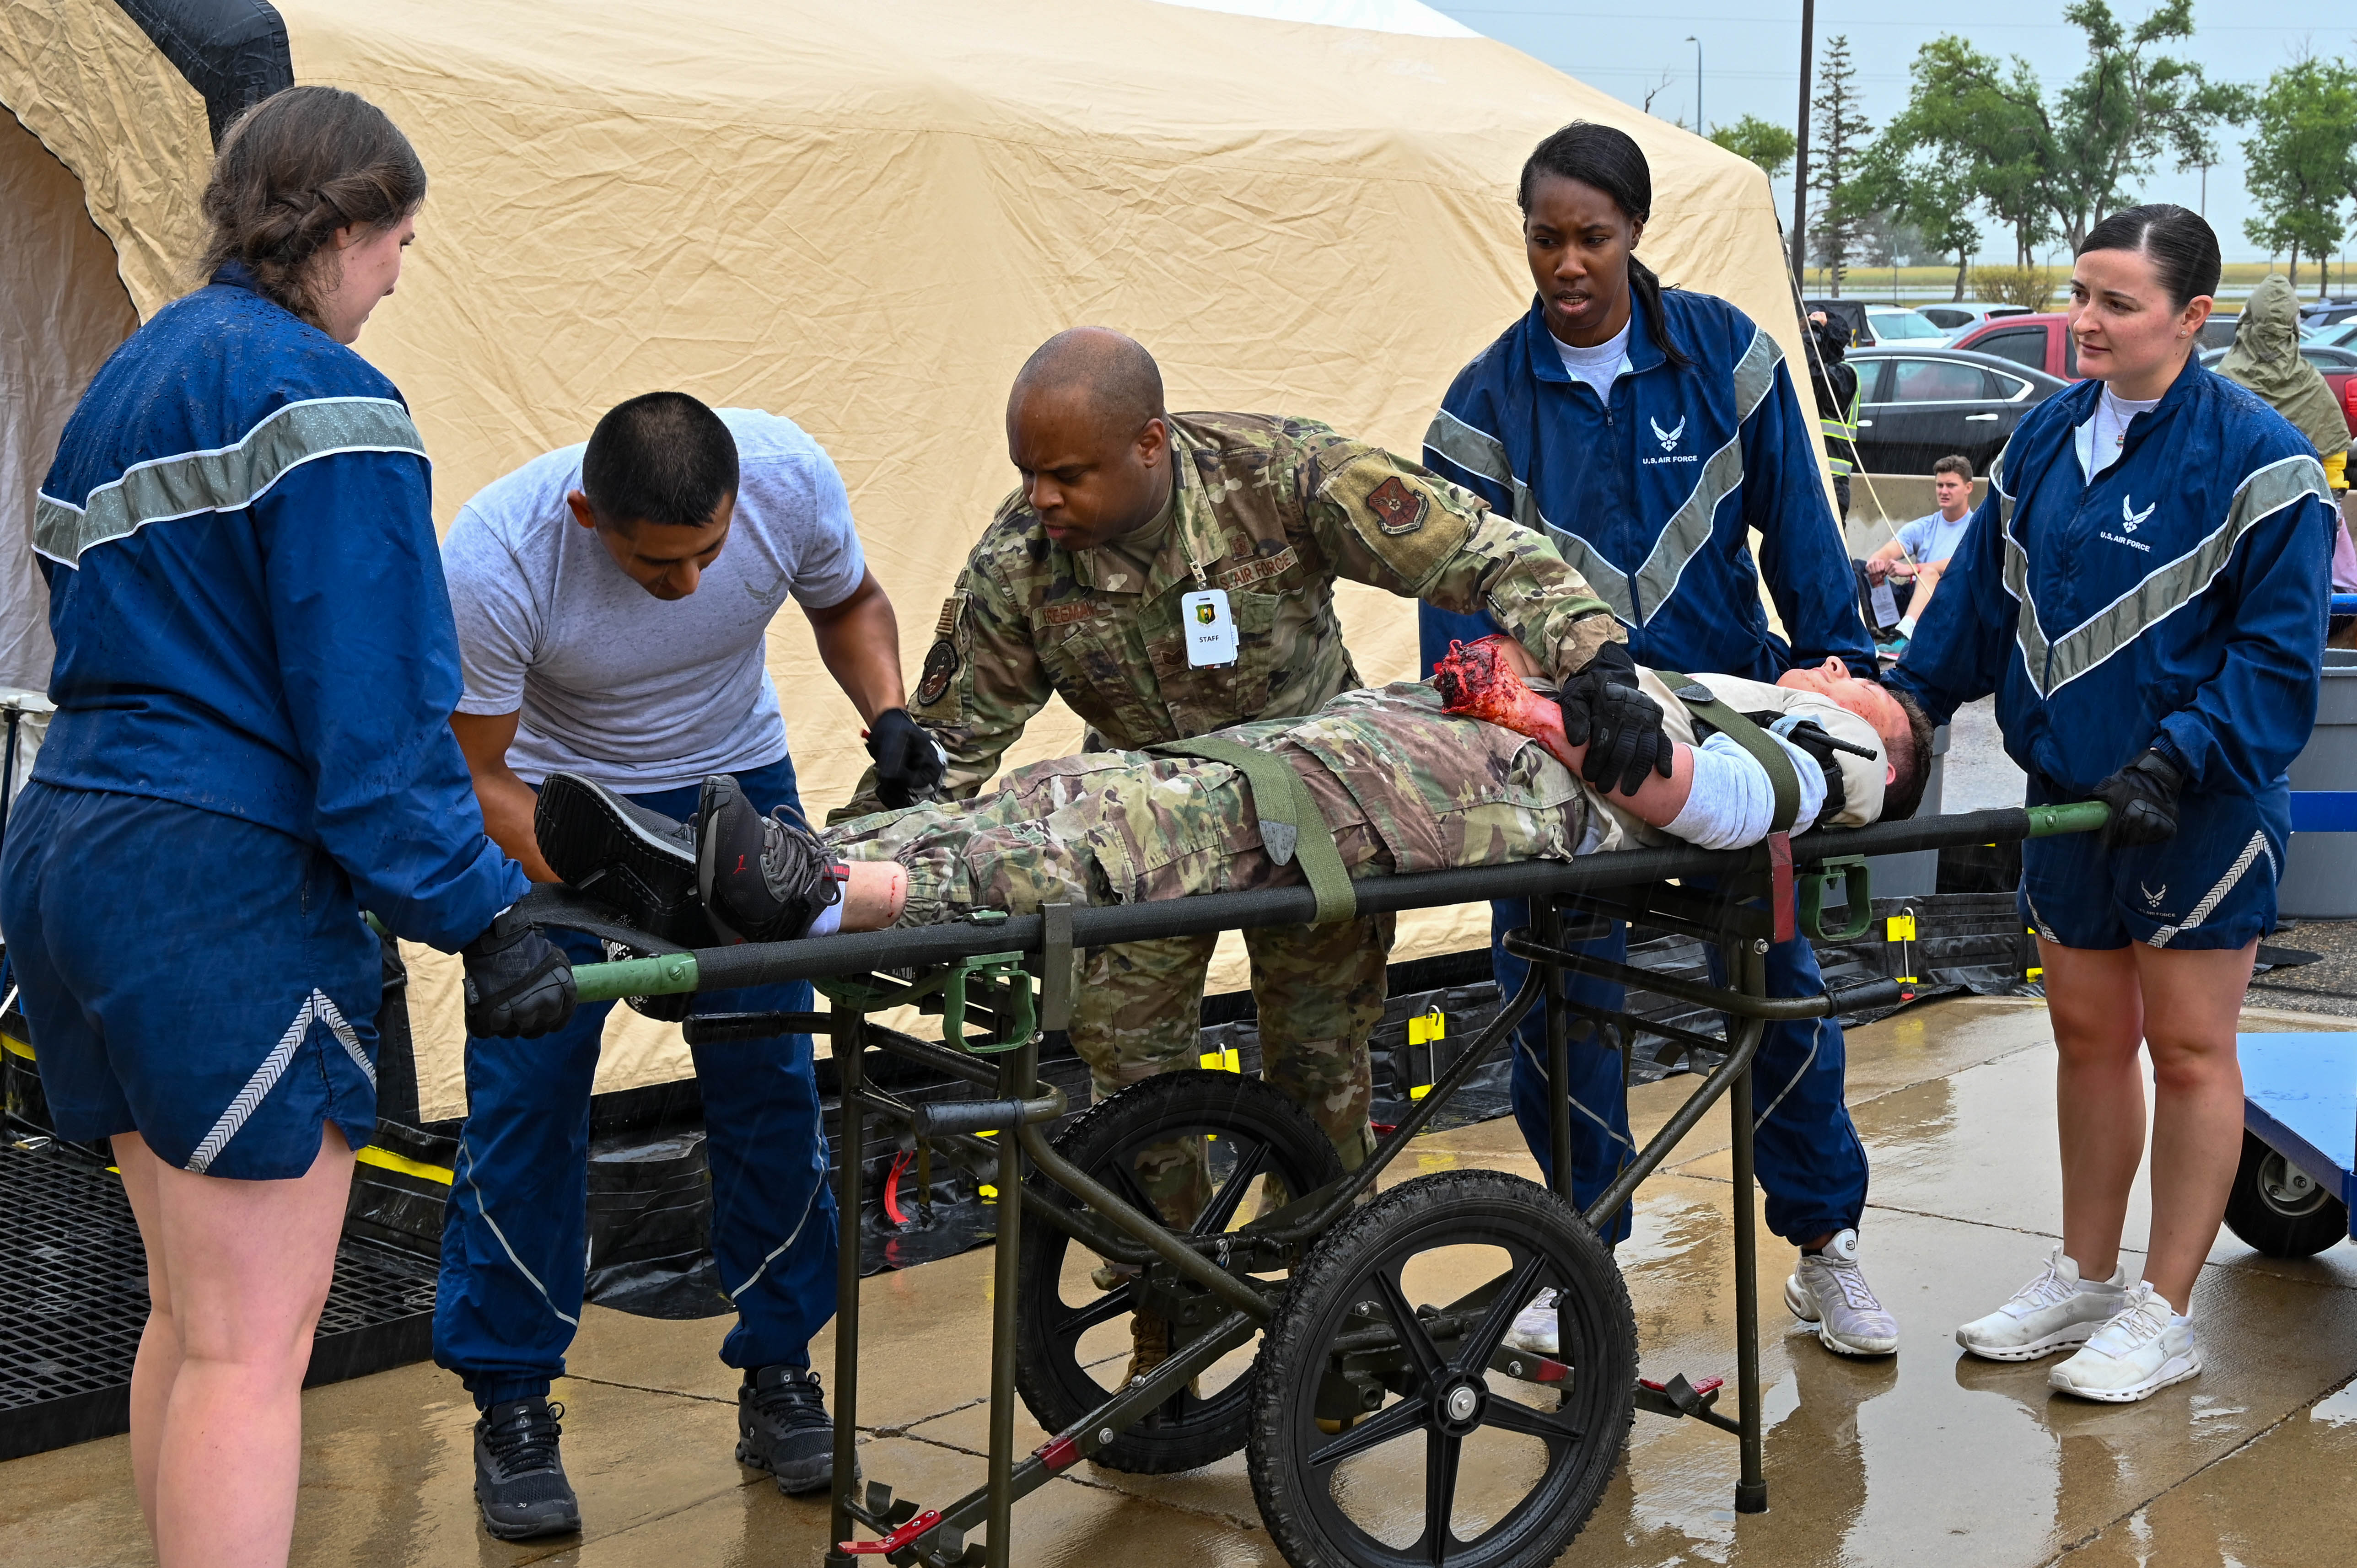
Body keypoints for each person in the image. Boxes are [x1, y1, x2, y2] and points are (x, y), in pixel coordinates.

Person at [0, 87, 570, 1568]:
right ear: (344, 230)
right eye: (396, 244)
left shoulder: (125, 385)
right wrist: (482, 911)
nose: (396, 276)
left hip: (70, 847)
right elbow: (370, 716)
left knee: (193, 1321)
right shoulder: (328, 405)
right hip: (217, 880)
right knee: (253, 1346)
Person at [863, 326, 1637, 1188]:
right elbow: (948, 744)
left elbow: (1471, 547)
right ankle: (1173, 1303)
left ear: (1149, 444)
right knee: (1135, 1094)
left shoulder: (1279, 474)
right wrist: (882, 816)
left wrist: (1591, 652)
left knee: (1321, 1076)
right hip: (1141, 837)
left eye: (1067, 476)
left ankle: (1326, 1300)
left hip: (1317, 820)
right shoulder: (1018, 562)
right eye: (1026, 474)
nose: (1039, 497)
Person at [1416, 121, 1894, 1358]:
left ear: (1635, 233)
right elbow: (1454, 626)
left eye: (1592, 236)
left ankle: (1827, 1245)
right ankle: (1583, 1256)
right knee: (1560, 998)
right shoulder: (1481, 408)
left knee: (1782, 987)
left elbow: (1802, 535)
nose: (1567, 262)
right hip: (1570, 753)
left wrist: (1842, 687)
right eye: (1545, 237)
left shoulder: (1729, 357)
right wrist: (1506, 731)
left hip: (1723, 738)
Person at [433, 392, 930, 1535]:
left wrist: (888, 708)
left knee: (766, 1085)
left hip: (738, 793)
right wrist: (621, 880)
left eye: (712, 551)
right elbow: (477, 775)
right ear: (588, 517)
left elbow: (848, 600)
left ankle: (780, 1369)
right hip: (558, 811)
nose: (694, 585)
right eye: (662, 565)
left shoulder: (788, 475)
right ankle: (511, 1397)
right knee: (528, 1096)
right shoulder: (501, 558)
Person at [1891, 205, 2334, 1403]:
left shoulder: (2262, 460)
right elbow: (1976, 607)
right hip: (2066, 803)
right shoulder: (2041, 441)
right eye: (2080, 293)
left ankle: (2166, 1307)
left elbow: (2280, 660)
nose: (2085, 320)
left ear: (2192, 317)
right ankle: (2086, 1275)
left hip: (2198, 806)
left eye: (2118, 302)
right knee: (2089, 1038)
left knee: (2190, 1050)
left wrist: (2177, 760)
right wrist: (1909, 707)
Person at [545, 636, 1931, 950]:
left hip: (1452, 791)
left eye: (1857, 677)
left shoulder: (1825, 758)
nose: (1830, 662)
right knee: (1078, 791)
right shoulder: (1762, 705)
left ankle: (829, 897)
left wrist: (1533, 710)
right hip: (1383, 756)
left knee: (1131, 833)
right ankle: (746, 867)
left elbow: (1714, 809)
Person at [2217, 274, 2351, 494]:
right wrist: (2334, 494)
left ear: (2249, 317)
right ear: (2294, 322)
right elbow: (2332, 448)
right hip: (2299, 507)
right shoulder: (2311, 382)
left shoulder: (2226, 378)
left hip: (2236, 508)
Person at [1862, 454, 1977, 655]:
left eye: (1951, 486)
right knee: (1858, 567)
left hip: (1949, 607)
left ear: (1969, 488)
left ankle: (1904, 636)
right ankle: (1872, 632)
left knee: (1931, 574)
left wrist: (1913, 568)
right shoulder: (1924, 526)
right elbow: (1890, 550)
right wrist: (1877, 564)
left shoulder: (1977, 528)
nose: (1944, 491)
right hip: (1914, 600)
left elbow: (1961, 562)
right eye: (1940, 485)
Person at [1806, 308, 1864, 522]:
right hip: (1809, 479)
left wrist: (1813, 331)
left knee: (1830, 553)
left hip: (1830, 483)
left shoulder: (1844, 375)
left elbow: (1812, 377)